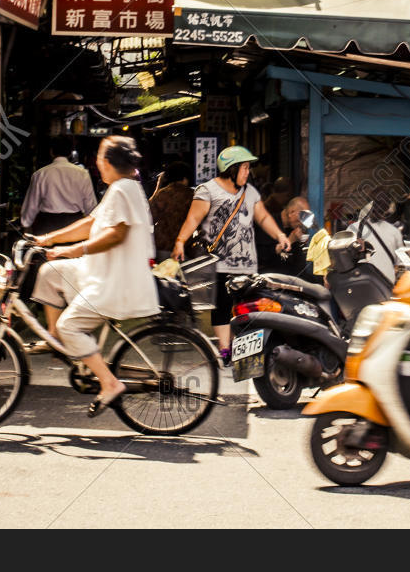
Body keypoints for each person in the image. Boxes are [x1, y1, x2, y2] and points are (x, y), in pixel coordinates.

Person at [29, 137, 160, 416]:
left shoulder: (124, 189)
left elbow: (116, 234)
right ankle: (56, 339)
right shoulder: (120, 188)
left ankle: (109, 383)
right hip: (99, 271)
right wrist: (48, 240)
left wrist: (71, 251)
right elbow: (91, 223)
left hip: (114, 281)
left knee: (70, 326)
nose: (97, 161)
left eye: (100, 156)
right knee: (49, 273)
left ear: (110, 162)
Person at [172, 146, 291, 363]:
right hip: (219, 263)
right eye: (244, 168)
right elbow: (193, 219)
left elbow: (262, 218)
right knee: (222, 307)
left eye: (248, 168)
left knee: (247, 306)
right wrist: (180, 241)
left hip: (246, 263)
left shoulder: (250, 192)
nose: (248, 172)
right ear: (231, 169)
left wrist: (280, 235)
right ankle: (225, 350)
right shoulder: (208, 191)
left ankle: (247, 349)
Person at [20, 136, 96, 237]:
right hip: (74, 226)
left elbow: (32, 205)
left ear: (51, 152)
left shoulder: (40, 174)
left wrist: (26, 225)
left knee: (47, 253)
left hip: (47, 226)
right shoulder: (83, 174)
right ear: (70, 153)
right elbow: (90, 207)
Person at [148, 160, 194, 261]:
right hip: (184, 248)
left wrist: (158, 185)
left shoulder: (161, 194)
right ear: (185, 178)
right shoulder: (192, 195)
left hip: (161, 247)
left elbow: (150, 217)